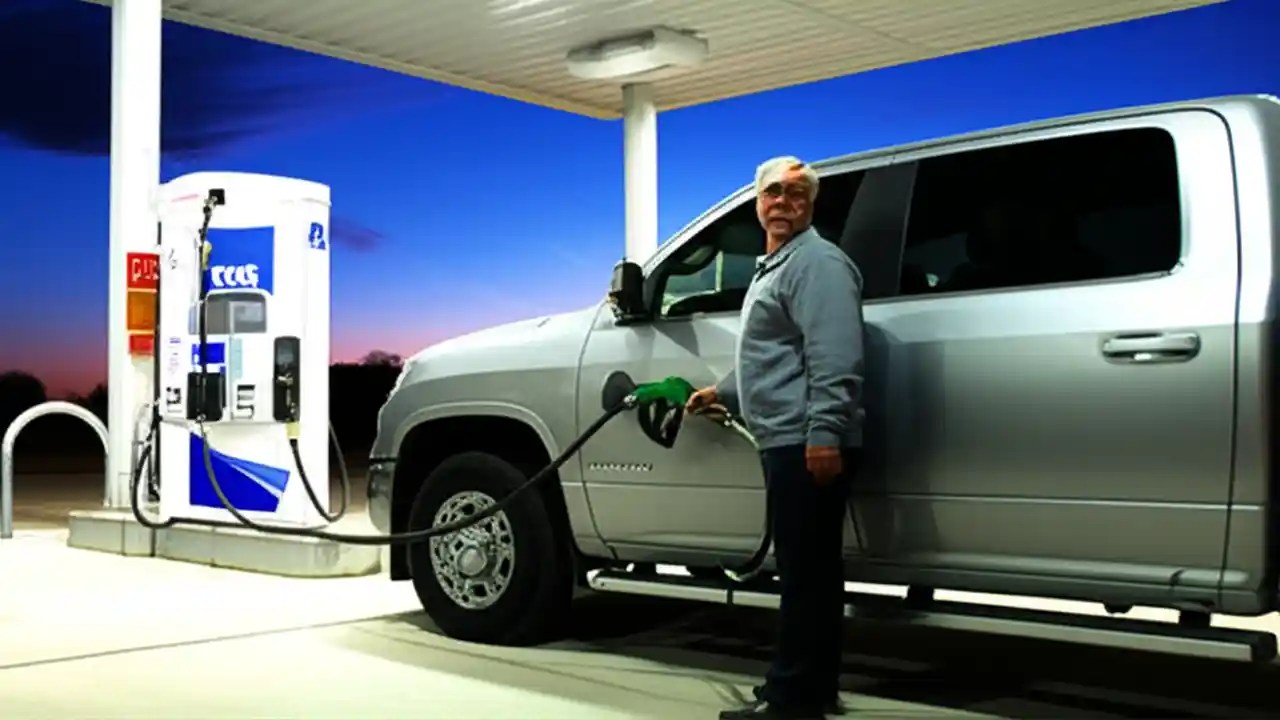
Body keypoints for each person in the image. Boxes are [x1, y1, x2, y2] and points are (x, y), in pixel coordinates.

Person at [687, 156, 866, 720]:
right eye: (773, 193)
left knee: (805, 578)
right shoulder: (779, 265)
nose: (783, 203)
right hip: (789, 436)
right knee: (811, 573)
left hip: (804, 439)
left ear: (810, 205)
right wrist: (723, 392)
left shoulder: (817, 263)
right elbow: (774, 351)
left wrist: (825, 433)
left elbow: (834, 355)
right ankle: (810, 690)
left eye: (795, 194)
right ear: (757, 202)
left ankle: (792, 699)